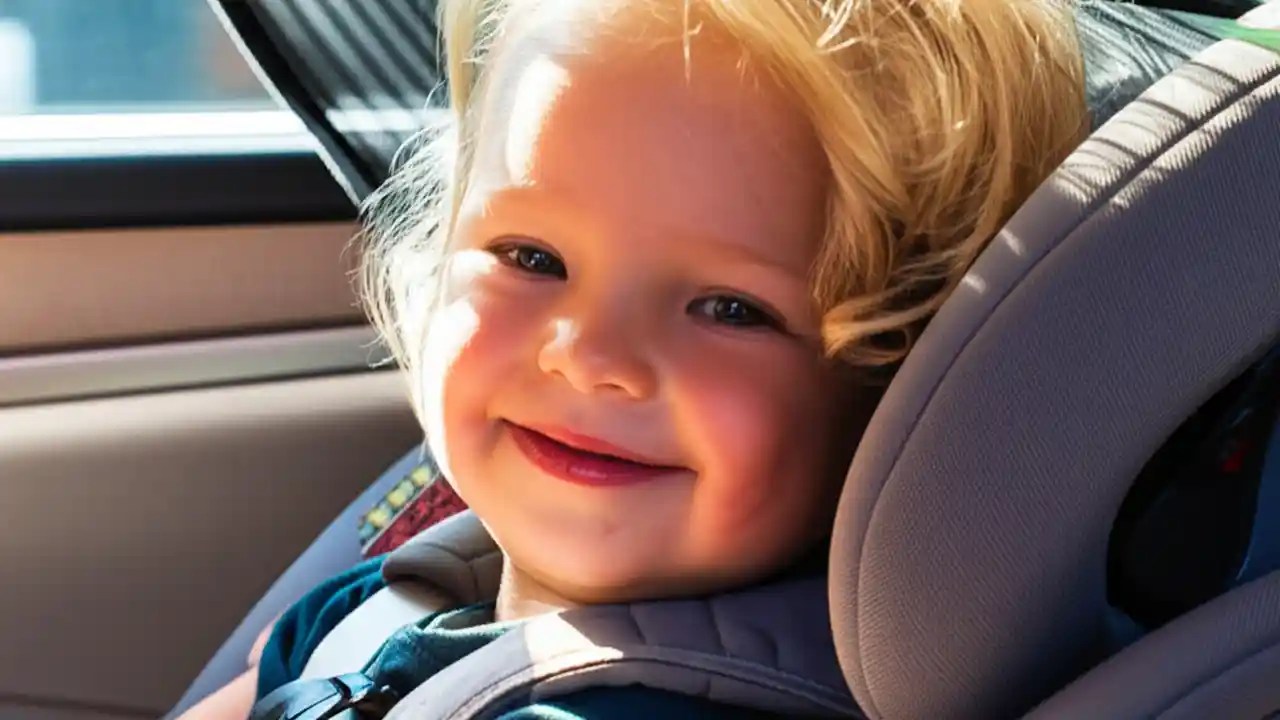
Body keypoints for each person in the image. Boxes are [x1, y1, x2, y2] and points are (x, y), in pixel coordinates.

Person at [179, 0, 1087, 716]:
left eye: (730, 309)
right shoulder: (378, 608)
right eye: (533, 258)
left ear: (903, 386)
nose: (590, 357)